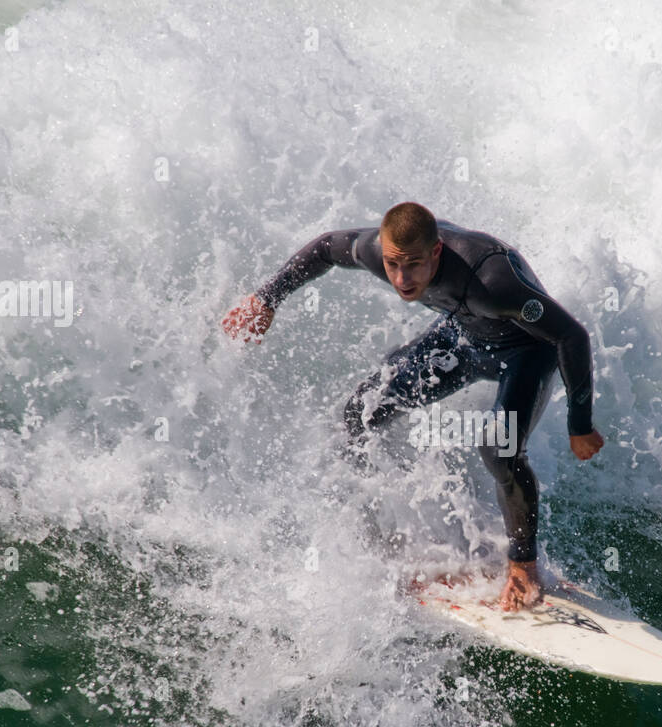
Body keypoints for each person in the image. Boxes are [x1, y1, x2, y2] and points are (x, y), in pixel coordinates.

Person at [223, 202, 604, 611]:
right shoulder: (378, 250)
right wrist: (267, 299)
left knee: (499, 447)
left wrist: (580, 423)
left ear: (436, 252)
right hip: (461, 339)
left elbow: (571, 336)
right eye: (392, 265)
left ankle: (523, 565)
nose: (401, 279)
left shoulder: (494, 282)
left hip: (525, 352)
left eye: (413, 265)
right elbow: (326, 247)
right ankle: (378, 526)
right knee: (361, 413)